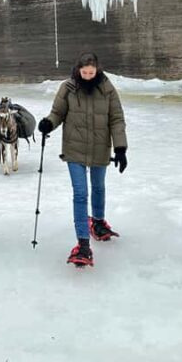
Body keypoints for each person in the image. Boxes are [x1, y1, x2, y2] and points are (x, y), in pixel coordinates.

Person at [38, 52, 128, 267]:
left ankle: (97, 222)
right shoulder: (68, 88)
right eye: (84, 72)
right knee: (80, 193)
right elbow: (57, 113)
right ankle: (83, 244)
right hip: (74, 148)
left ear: (97, 70)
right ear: (78, 69)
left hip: (99, 148)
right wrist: (48, 123)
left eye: (91, 72)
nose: (88, 76)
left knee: (98, 187)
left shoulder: (106, 88)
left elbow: (116, 119)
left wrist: (121, 148)